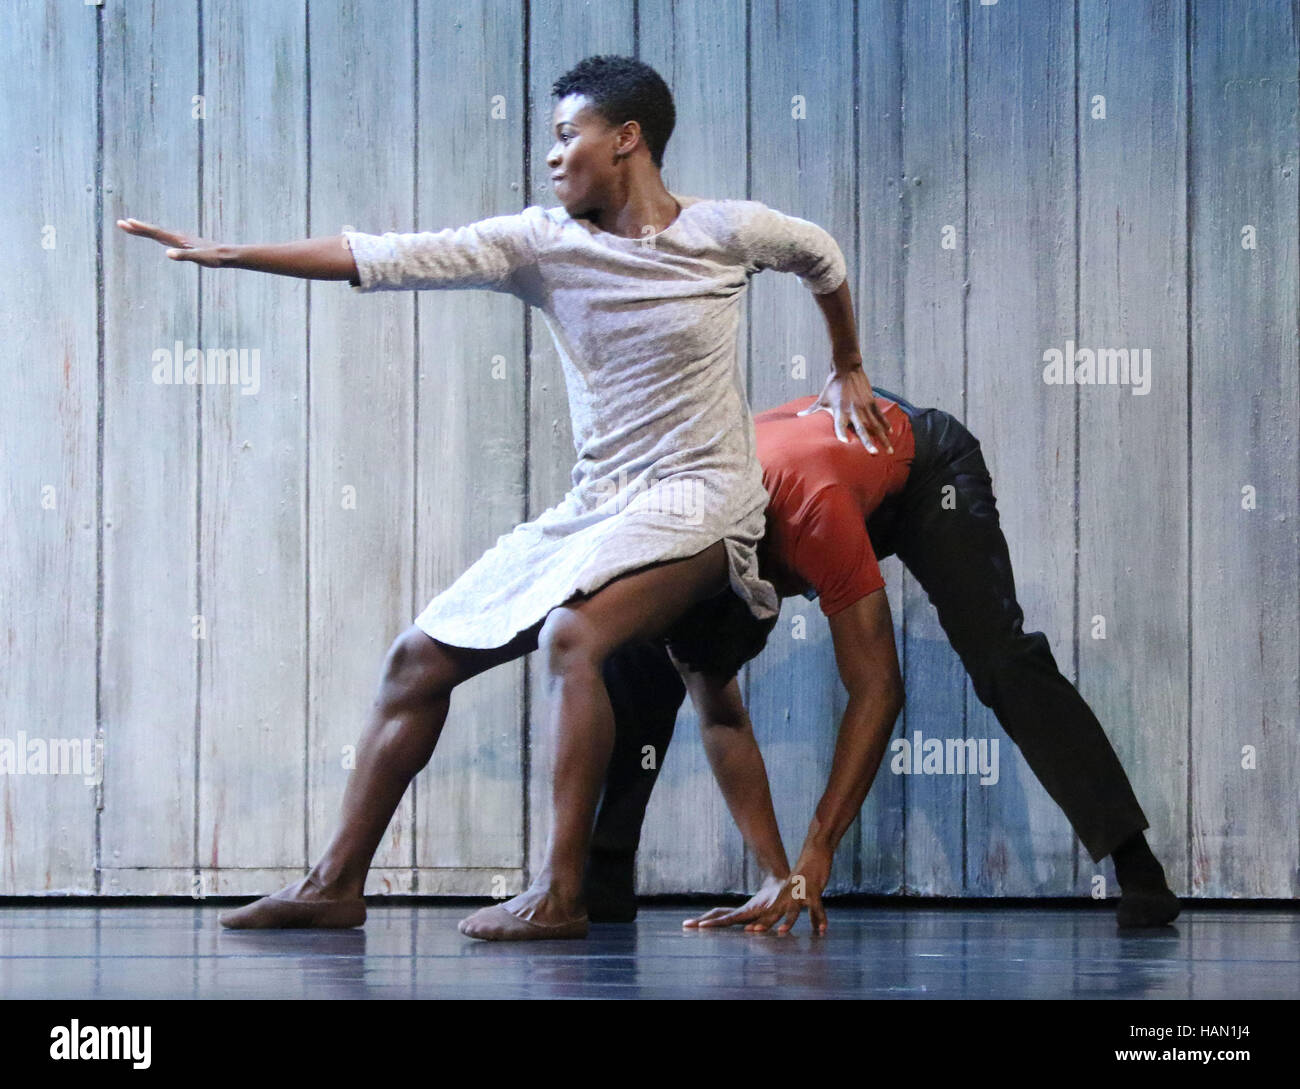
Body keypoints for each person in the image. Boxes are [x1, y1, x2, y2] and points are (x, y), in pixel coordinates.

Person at [115, 54, 891, 940]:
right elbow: (392, 256)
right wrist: (236, 255)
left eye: (569, 137)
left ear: (627, 140)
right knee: (417, 657)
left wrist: (848, 365)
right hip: (599, 504)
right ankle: (334, 883)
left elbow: (820, 255)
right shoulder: (541, 243)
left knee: (575, 635)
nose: (554, 158)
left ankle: (562, 894)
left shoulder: (724, 233)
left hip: (704, 499)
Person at [584, 388, 1182, 932]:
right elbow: (719, 714)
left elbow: (879, 689)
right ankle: (603, 875)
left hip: (922, 467)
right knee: (639, 650)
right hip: (813, 461)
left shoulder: (812, 514)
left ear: (765, 601)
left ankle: (1138, 867)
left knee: (1002, 657)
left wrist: (815, 853)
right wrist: (775, 875)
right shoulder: (677, 515)